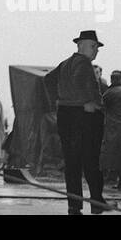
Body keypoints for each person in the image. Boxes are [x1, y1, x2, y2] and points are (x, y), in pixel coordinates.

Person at [44, 30, 107, 215]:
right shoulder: (84, 64)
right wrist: (86, 101)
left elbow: (48, 80)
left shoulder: (64, 64)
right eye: (93, 46)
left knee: (72, 163)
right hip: (85, 117)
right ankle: (97, 202)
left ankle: (74, 206)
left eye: (97, 47)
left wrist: (57, 100)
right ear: (81, 45)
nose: (96, 50)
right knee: (91, 161)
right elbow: (85, 86)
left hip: (66, 115)